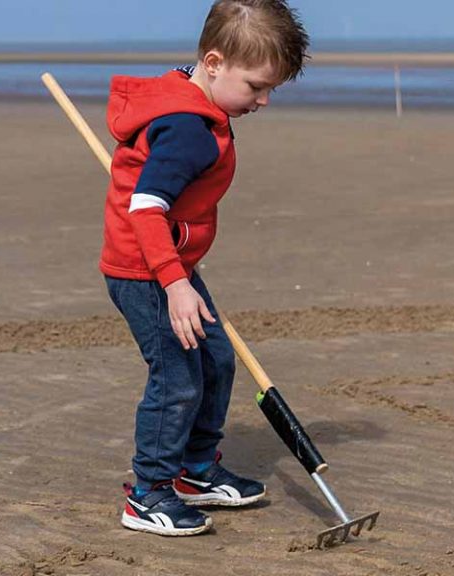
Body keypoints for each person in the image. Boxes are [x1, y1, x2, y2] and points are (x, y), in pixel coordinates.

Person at [101, 0, 309, 536]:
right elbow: (146, 209)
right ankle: (149, 493)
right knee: (177, 379)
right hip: (145, 270)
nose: (263, 101)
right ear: (213, 64)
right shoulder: (188, 127)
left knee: (215, 361)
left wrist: (180, 274)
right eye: (256, 86)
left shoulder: (195, 97)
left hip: (173, 263)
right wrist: (174, 284)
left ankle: (196, 471)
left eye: (272, 90)